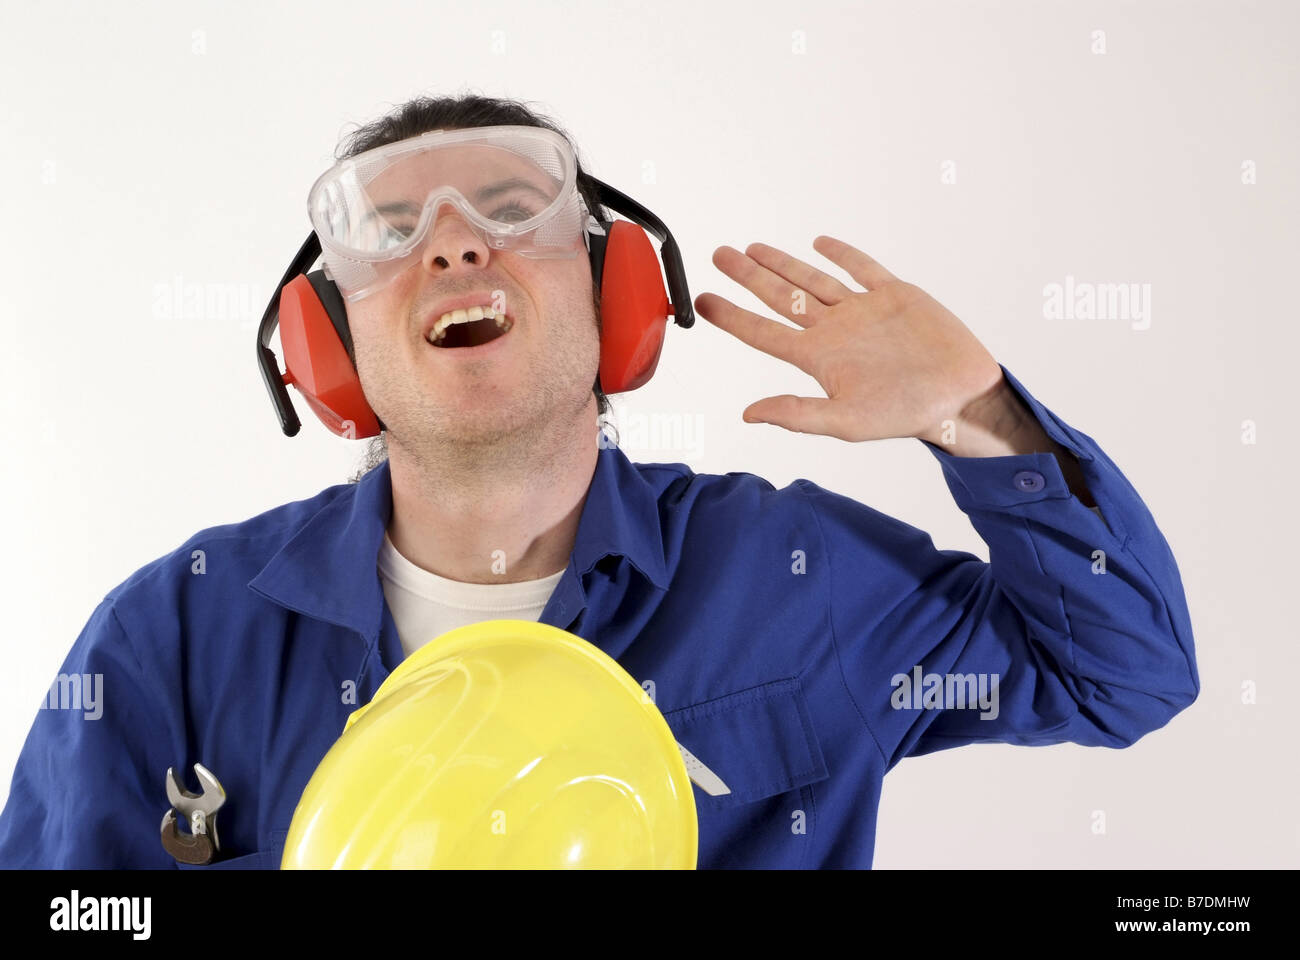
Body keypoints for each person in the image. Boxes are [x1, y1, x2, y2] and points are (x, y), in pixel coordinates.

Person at [0, 93, 1198, 869]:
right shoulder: (173, 635)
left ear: (616, 296)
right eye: (394, 234)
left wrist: (973, 416)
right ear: (327, 346)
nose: (455, 246)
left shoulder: (797, 579)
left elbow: (1122, 674)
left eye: (513, 213)